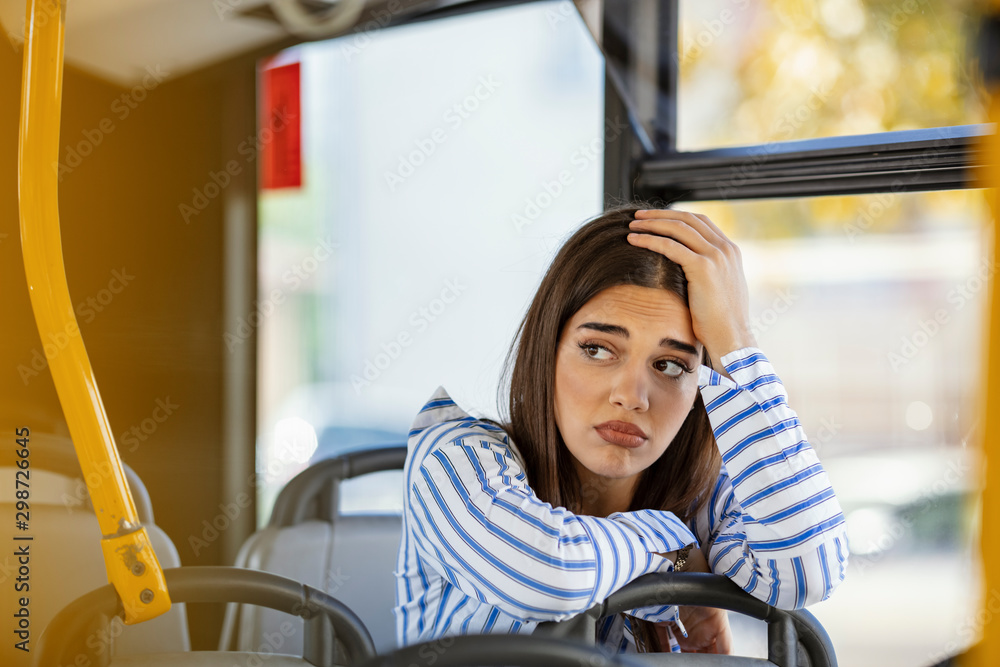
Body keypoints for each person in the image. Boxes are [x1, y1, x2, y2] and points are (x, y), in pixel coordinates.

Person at [393, 206, 849, 653]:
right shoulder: (453, 458)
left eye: (670, 365)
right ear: (546, 351)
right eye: (597, 349)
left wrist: (735, 337)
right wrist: (675, 551)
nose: (632, 396)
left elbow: (809, 570)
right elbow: (549, 572)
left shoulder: (705, 499)